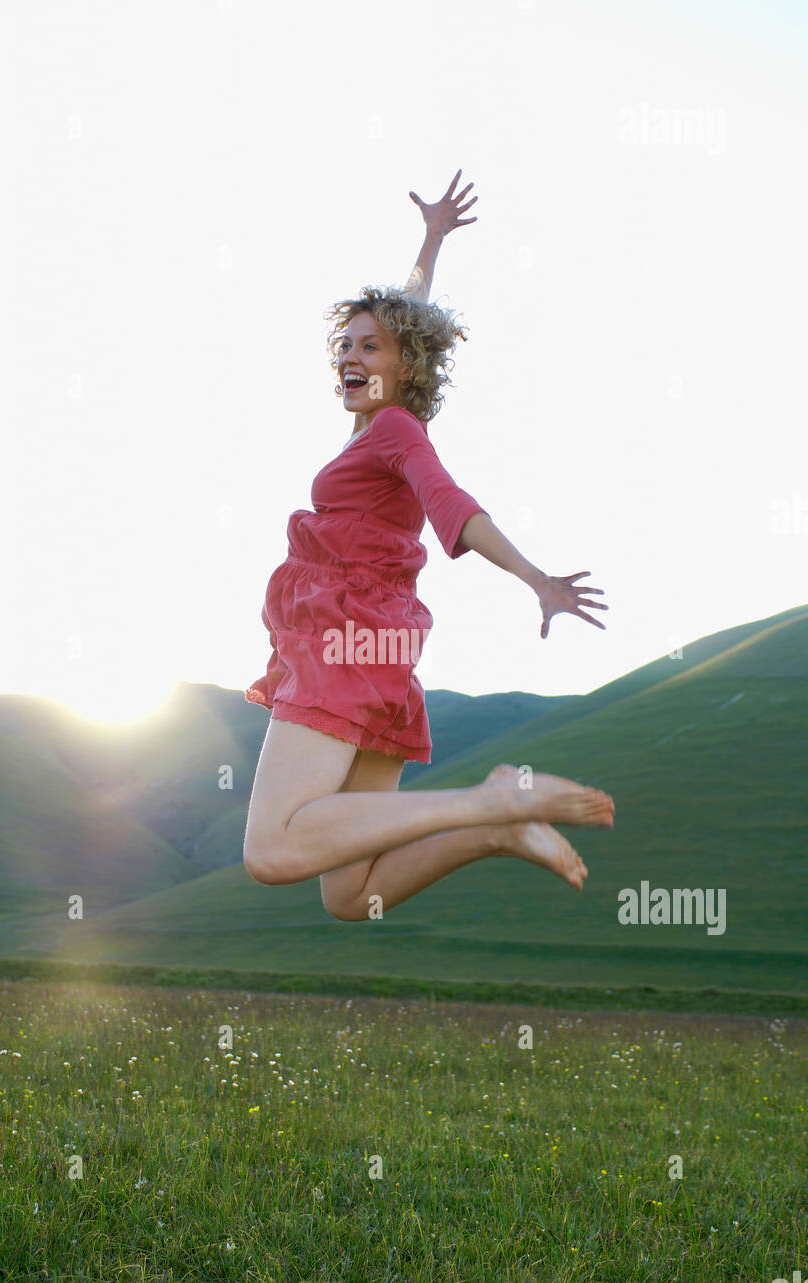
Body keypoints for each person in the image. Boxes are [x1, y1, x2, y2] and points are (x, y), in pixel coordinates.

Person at [243, 170, 614, 921]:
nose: (349, 356)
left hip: (343, 643)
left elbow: (449, 503)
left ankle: (487, 799)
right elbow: (408, 314)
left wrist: (534, 577)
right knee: (353, 894)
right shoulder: (375, 433)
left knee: (271, 850)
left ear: (404, 367)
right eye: (343, 345)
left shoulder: (395, 431)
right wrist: (431, 239)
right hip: (377, 654)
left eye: (369, 347)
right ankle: (497, 830)